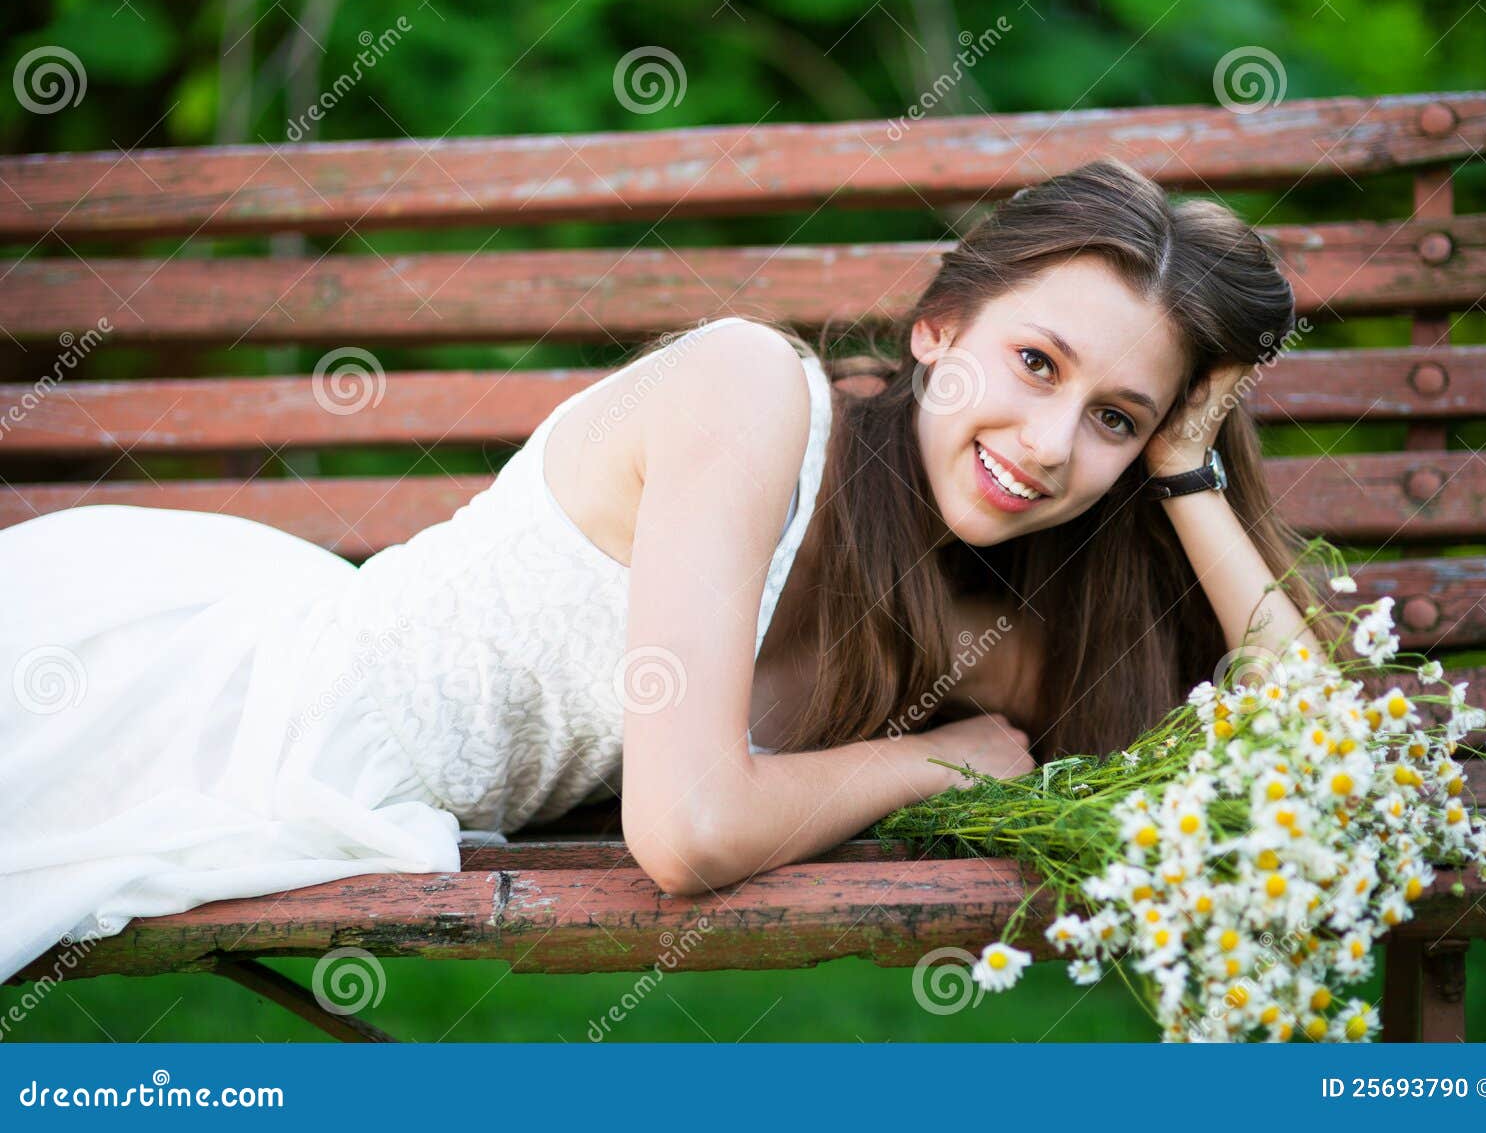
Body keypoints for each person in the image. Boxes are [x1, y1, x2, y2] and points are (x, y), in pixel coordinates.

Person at [0, 156, 1337, 984]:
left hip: (303, 747)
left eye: (1113, 415)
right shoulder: (748, 390)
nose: (1049, 445)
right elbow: (689, 829)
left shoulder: (976, 618)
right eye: (1035, 363)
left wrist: (1188, 477)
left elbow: (1313, 755)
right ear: (939, 328)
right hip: (201, 702)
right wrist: (948, 758)